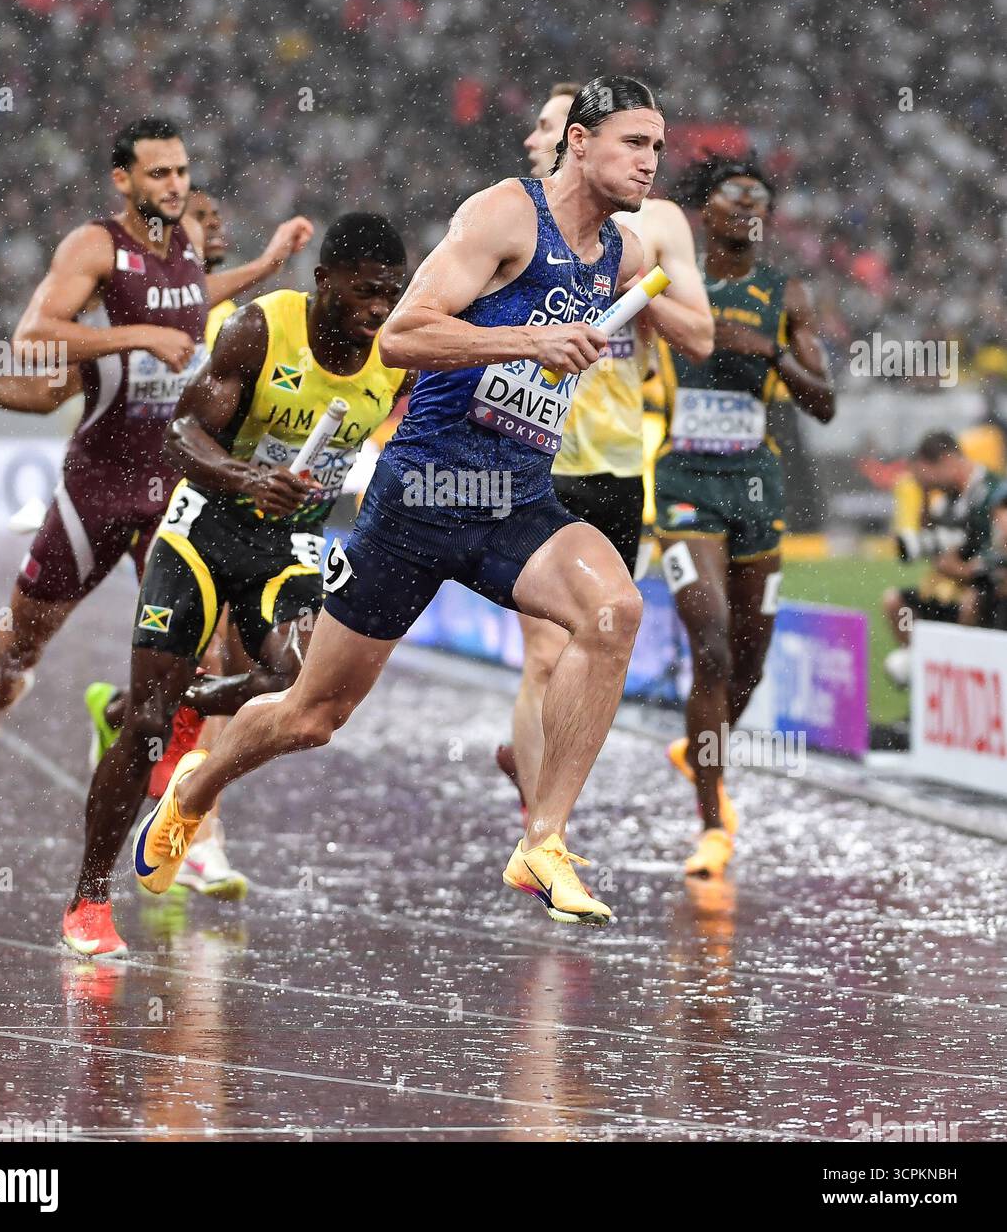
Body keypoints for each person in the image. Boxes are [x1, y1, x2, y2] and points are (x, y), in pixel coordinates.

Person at [132, 75, 712, 927]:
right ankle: (196, 785)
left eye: (659, 146)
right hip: (421, 498)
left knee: (614, 611)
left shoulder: (622, 256)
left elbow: (693, 329)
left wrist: (683, 257)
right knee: (311, 714)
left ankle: (543, 839)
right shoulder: (504, 216)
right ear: (580, 143)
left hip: (516, 500)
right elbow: (402, 335)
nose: (651, 161)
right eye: (634, 142)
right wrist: (531, 339)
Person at [65, 214, 410, 956]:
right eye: (364, 294)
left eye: (392, 295)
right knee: (146, 730)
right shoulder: (262, 328)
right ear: (326, 283)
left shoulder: (395, 358)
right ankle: (89, 901)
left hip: (287, 546)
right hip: (201, 534)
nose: (379, 310)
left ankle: (178, 706)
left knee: (292, 686)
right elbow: (182, 436)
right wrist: (250, 475)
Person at [0, 119, 311, 764]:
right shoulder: (96, 246)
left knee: (192, 650)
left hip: (177, 486)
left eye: (182, 171)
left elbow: (197, 298)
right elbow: (34, 335)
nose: (175, 186)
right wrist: (137, 336)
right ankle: (3, 693)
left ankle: (126, 727)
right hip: (98, 484)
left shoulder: (187, 243)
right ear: (124, 178)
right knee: (24, 637)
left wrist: (268, 264)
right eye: (158, 173)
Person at [499, 81, 711, 818]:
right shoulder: (522, 218)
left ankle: (536, 771)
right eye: (543, 131)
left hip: (617, 464)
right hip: (535, 458)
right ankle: (540, 829)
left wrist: (631, 280)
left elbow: (702, 337)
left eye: (655, 146)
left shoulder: (657, 227)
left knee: (600, 641)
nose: (544, 141)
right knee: (545, 653)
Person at [654, 155, 835, 877]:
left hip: (756, 485)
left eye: (761, 200)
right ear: (708, 213)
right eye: (736, 199)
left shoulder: (785, 293)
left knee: (751, 661)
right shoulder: (678, 279)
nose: (750, 209)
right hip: (685, 483)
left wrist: (772, 357)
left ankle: (702, 746)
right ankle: (711, 823)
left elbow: (824, 403)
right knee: (714, 644)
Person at [883, 430, 1005, 683]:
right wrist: (925, 495)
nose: (932, 483)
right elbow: (926, 540)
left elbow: (997, 553)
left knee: (971, 602)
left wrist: (963, 571)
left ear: (948, 460)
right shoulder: (947, 499)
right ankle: (917, 665)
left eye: (931, 476)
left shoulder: (990, 492)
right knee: (899, 606)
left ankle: (958, 678)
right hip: (949, 589)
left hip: (981, 589)